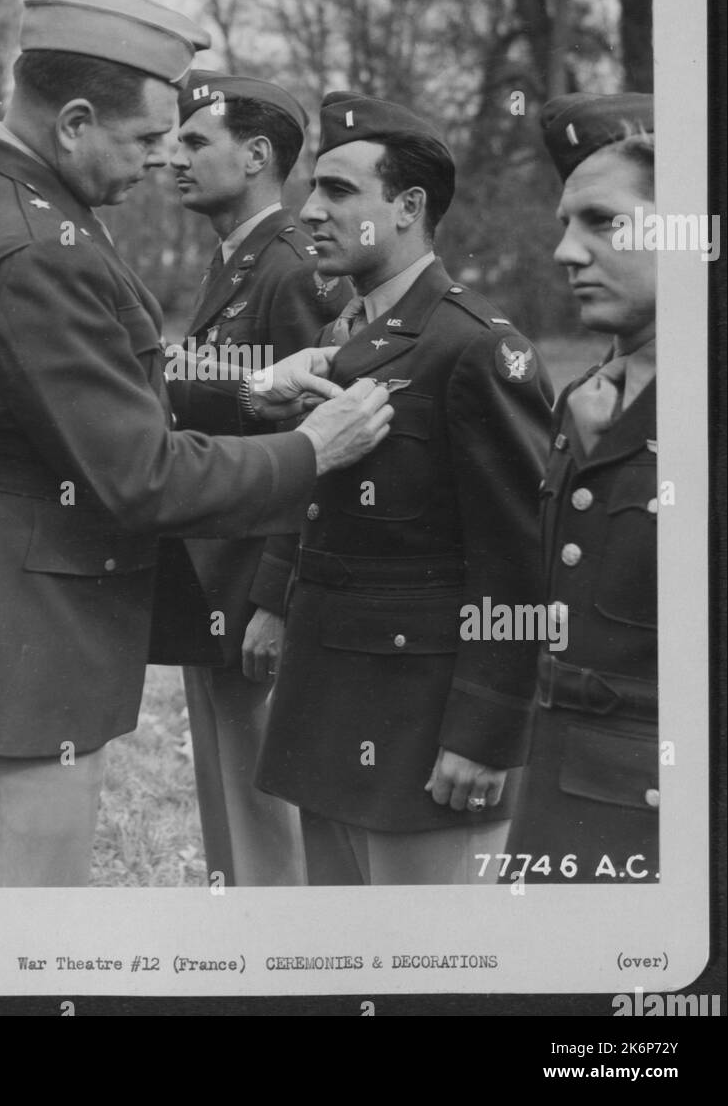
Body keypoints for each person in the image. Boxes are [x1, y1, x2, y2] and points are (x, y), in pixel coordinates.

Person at [0, 0, 392, 889]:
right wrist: (314, 449)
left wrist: (252, 388)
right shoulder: (42, 250)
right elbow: (140, 477)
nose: (160, 160)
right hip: (15, 656)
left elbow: (60, 400)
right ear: (74, 121)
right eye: (148, 139)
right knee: (5, 949)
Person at [254, 90, 554, 885]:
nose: (310, 210)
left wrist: (486, 733)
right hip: (325, 705)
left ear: (408, 206)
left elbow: (520, 555)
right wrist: (270, 594)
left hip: (422, 729)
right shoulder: (337, 339)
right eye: (312, 189)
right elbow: (314, 491)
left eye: (339, 191)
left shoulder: (474, 349)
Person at [154, 69, 347, 887]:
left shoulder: (292, 269)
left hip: (255, 585)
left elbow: (323, 448)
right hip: (211, 572)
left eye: (196, 141)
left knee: (268, 810)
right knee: (229, 794)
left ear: (258, 154)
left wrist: (276, 594)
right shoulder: (234, 260)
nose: (173, 158)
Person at [505, 92, 658, 883]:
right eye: (564, 224)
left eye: (600, 222)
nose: (565, 252)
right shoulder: (585, 398)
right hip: (556, 801)